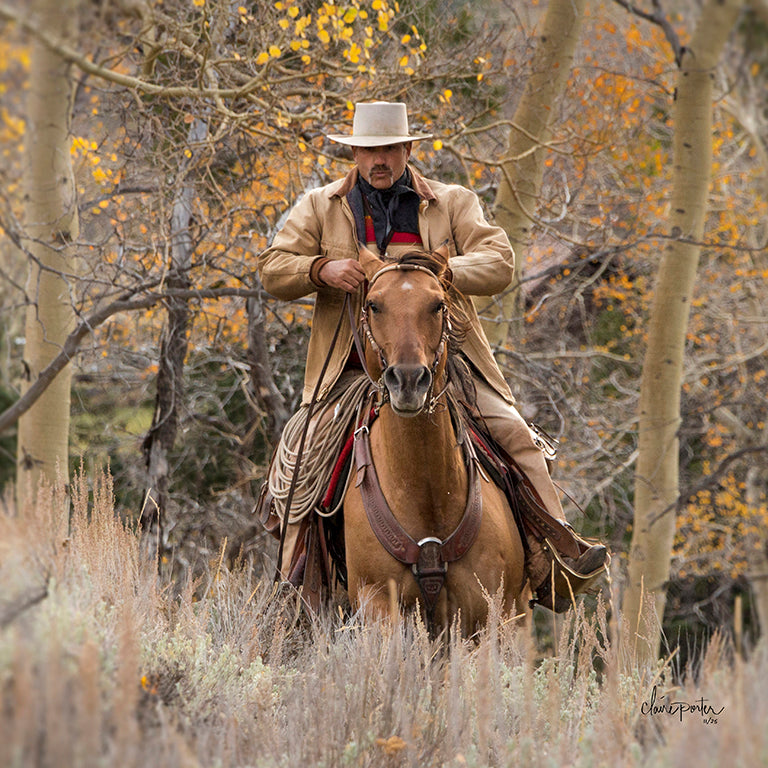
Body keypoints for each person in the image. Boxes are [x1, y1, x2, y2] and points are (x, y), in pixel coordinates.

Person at [257, 101, 608, 611]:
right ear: (353, 152)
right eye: (369, 151)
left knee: (514, 433)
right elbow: (272, 268)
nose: (379, 160)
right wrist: (320, 271)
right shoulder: (320, 206)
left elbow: (499, 262)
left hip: (446, 364)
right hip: (350, 372)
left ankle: (556, 561)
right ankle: (292, 594)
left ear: (408, 149)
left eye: (390, 149)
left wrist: (440, 273)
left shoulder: (451, 201)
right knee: (300, 459)